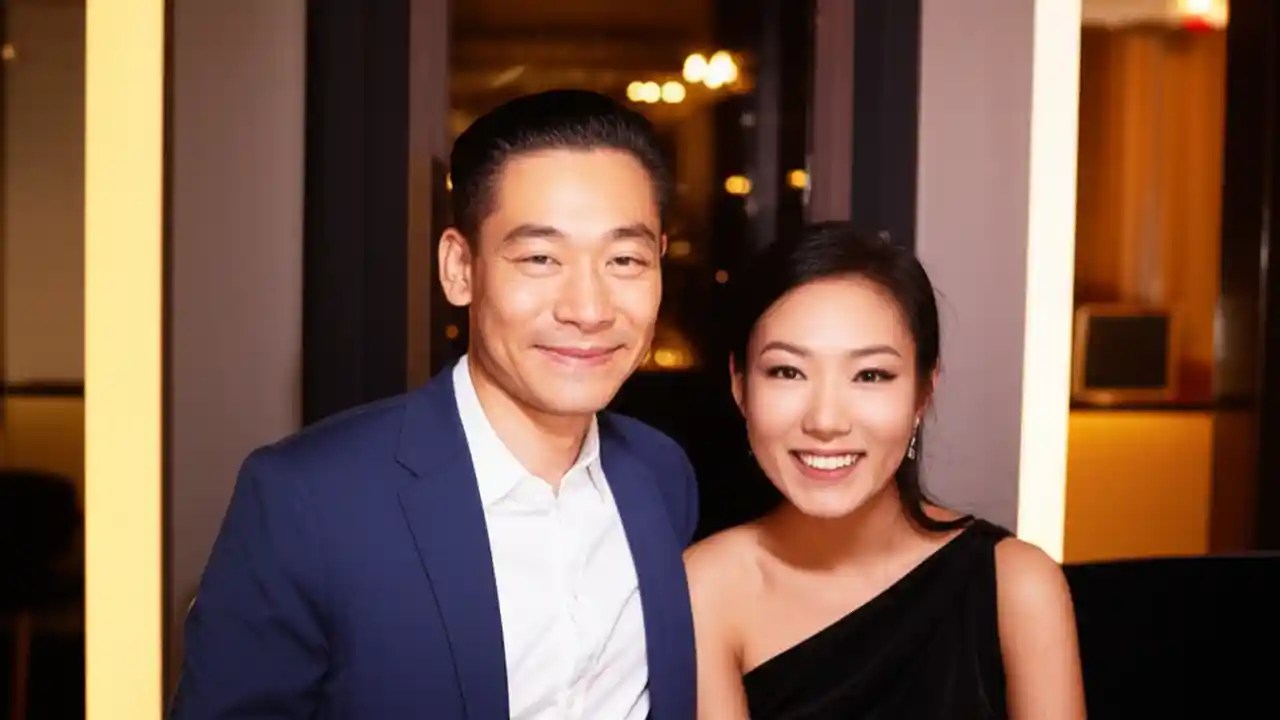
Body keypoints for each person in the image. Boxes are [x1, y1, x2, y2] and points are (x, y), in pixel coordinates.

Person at [170, 89, 699, 719]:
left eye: (624, 259)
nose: (588, 309)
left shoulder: (660, 476)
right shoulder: (306, 500)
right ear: (459, 268)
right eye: (539, 257)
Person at [685, 222, 1085, 719]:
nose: (826, 421)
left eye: (870, 375)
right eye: (787, 372)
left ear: (923, 391)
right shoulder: (706, 587)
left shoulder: (1016, 584)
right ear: (740, 385)